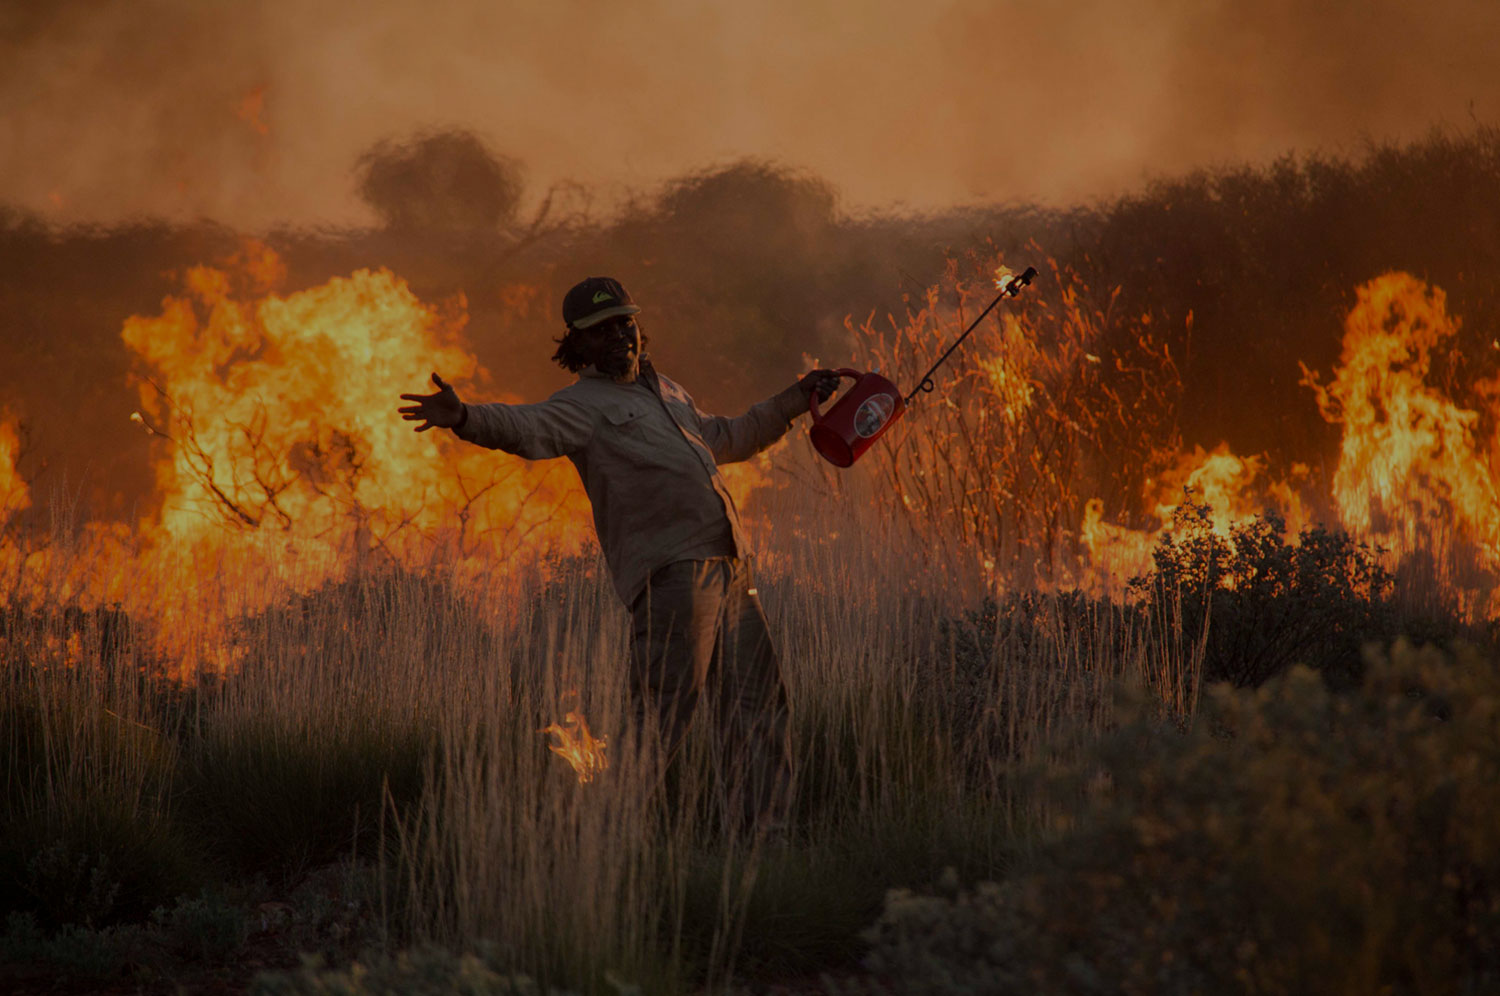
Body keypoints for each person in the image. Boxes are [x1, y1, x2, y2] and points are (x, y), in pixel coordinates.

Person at [398, 276, 839, 832]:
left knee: (758, 713)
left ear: (639, 325)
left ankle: (761, 847)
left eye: (624, 323)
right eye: (600, 330)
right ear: (575, 346)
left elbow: (728, 436)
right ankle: (603, 840)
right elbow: (526, 426)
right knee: (657, 724)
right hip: (674, 578)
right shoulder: (580, 406)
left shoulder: (670, 392)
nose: (618, 336)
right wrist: (465, 418)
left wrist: (797, 398)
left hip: (732, 569)